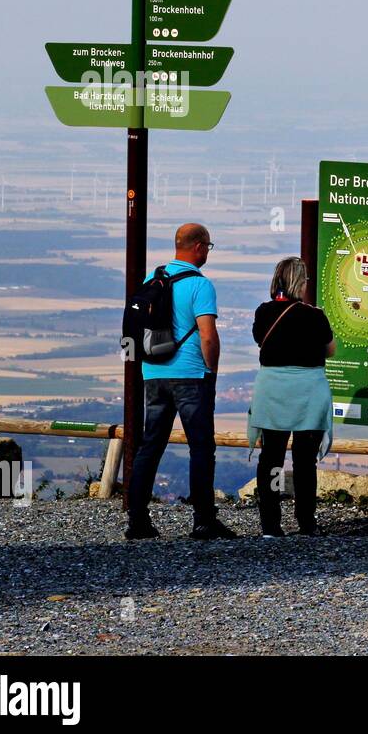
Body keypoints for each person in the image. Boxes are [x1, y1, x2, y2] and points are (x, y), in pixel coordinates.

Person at [127, 223, 236, 540]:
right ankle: (203, 521)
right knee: (201, 448)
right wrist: (211, 371)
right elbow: (208, 336)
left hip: (154, 373)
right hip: (190, 375)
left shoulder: (153, 279)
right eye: (208, 246)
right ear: (200, 246)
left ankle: (137, 520)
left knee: (151, 446)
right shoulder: (200, 286)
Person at [248, 256, 336, 537]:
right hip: (308, 392)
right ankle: (306, 522)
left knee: (271, 457)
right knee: (304, 459)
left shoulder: (263, 312)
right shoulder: (314, 315)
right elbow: (330, 350)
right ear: (300, 282)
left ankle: (271, 524)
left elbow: (259, 339)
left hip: (273, 391)